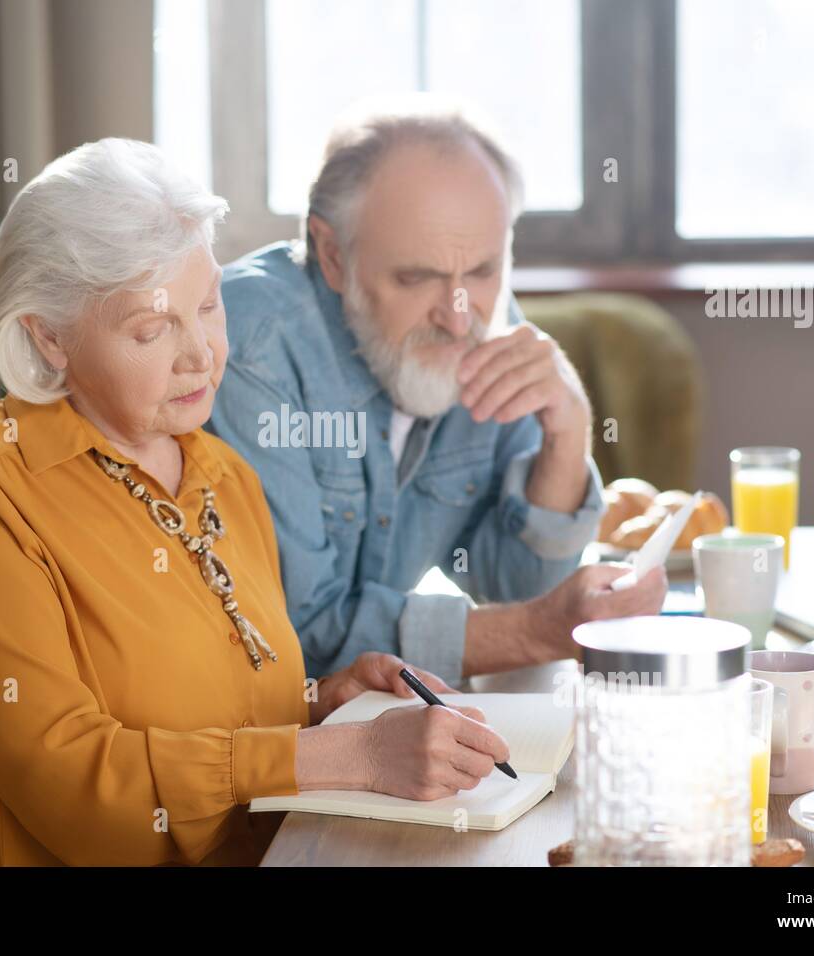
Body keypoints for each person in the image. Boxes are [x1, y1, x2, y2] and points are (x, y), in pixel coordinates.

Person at [0, 138, 509, 866]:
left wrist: (323, 702)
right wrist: (341, 756)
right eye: (152, 329)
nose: (202, 353)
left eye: (209, 305)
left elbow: (207, 714)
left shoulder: (224, 474)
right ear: (48, 338)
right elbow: (74, 792)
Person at [208, 97, 667, 684]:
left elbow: (522, 589)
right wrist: (535, 630)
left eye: (481, 271)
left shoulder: (485, 326)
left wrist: (567, 435)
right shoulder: (249, 346)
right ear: (331, 255)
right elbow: (295, 637)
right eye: (416, 277)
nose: (456, 318)